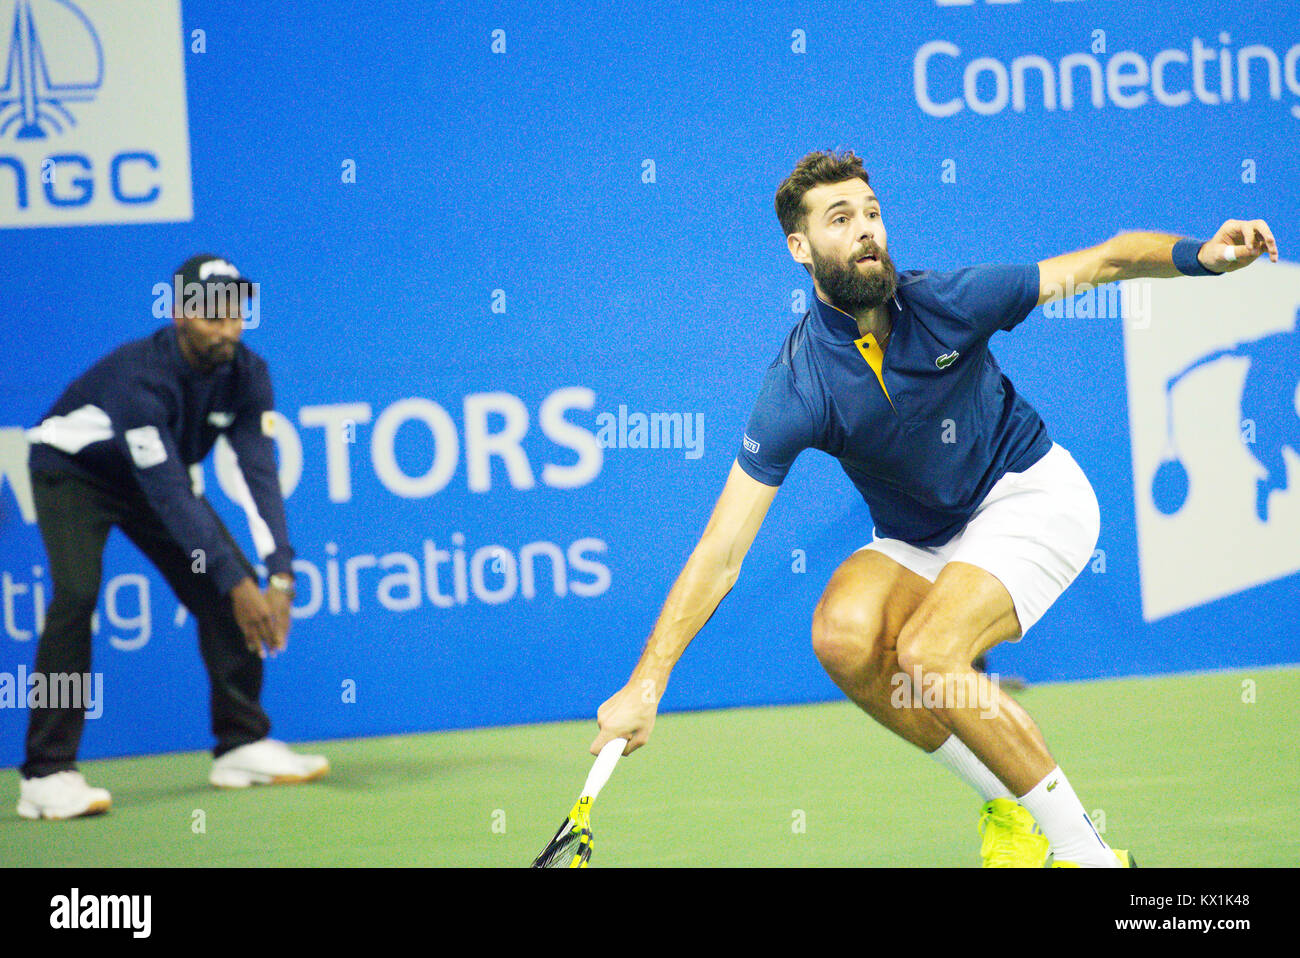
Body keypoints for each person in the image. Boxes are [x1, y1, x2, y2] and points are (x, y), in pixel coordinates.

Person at [590, 150, 1278, 867]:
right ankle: (1011, 806)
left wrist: (1205, 255)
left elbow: (1104, 261)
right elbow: (721, 551)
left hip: (1031, 495)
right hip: (924, 537)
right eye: (840, 218)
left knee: (929, 653)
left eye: (872, 213)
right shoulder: (798, 386)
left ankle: (1090, 856)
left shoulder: (948, 301)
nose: (866, 231)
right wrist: (647, 684)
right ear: (799, 248)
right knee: (844, 638)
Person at [17, 254, 328, 821]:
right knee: (77, 597)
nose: (229, 326)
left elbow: (259, 474)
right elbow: (167, 492)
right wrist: (237, 582)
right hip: (73, 473)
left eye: (237, 312)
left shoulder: (248, 375)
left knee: (224, 584)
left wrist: (279, 573)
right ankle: (46, 773)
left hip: (157, 481)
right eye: (213, 314)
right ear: (182, 313)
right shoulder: (141, 379)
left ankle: (241, 744)